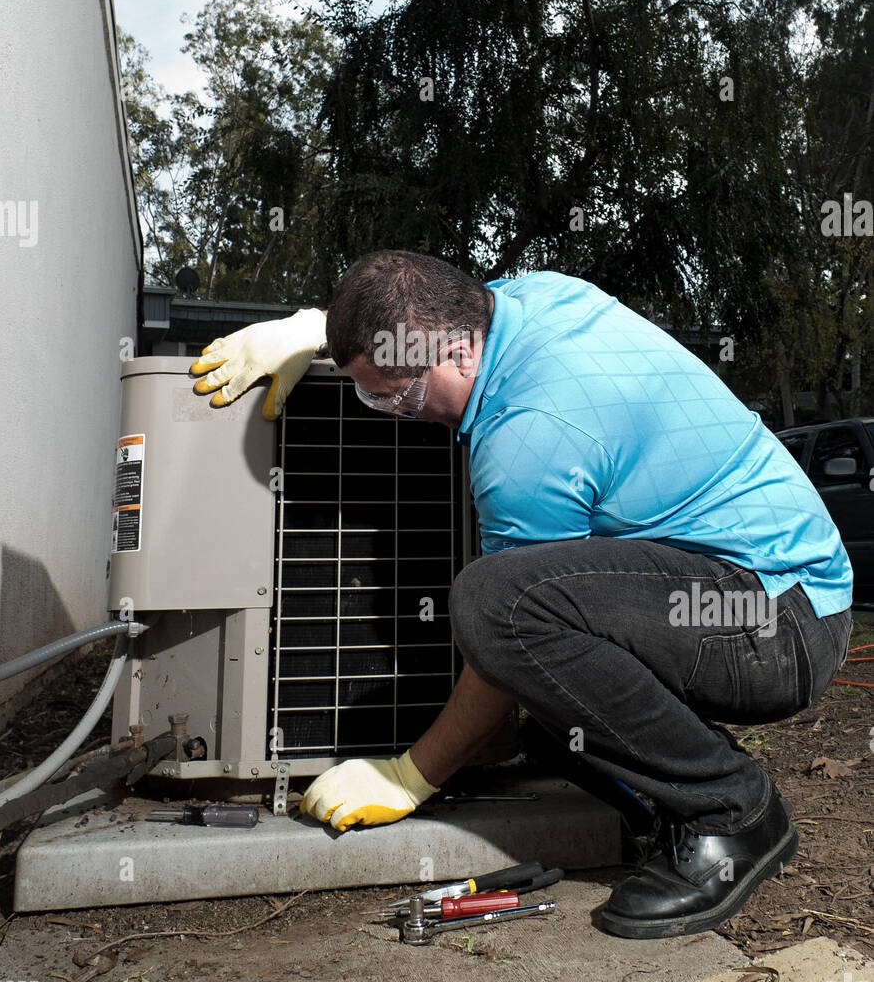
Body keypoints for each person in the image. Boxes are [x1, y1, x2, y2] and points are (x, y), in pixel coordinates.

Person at [189, 250, 853, 939]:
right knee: (554, 728)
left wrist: (411, 775)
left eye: (397, 394)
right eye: (370, 396)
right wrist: (315, 327)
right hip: (777, 589)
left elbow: (511, 635)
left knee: (492, 602)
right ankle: (662, 799)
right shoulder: (535, 298)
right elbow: (418, 297)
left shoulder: (527, 441)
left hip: (776, 626)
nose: (391, 413)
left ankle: (731, 815)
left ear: (453, 354)